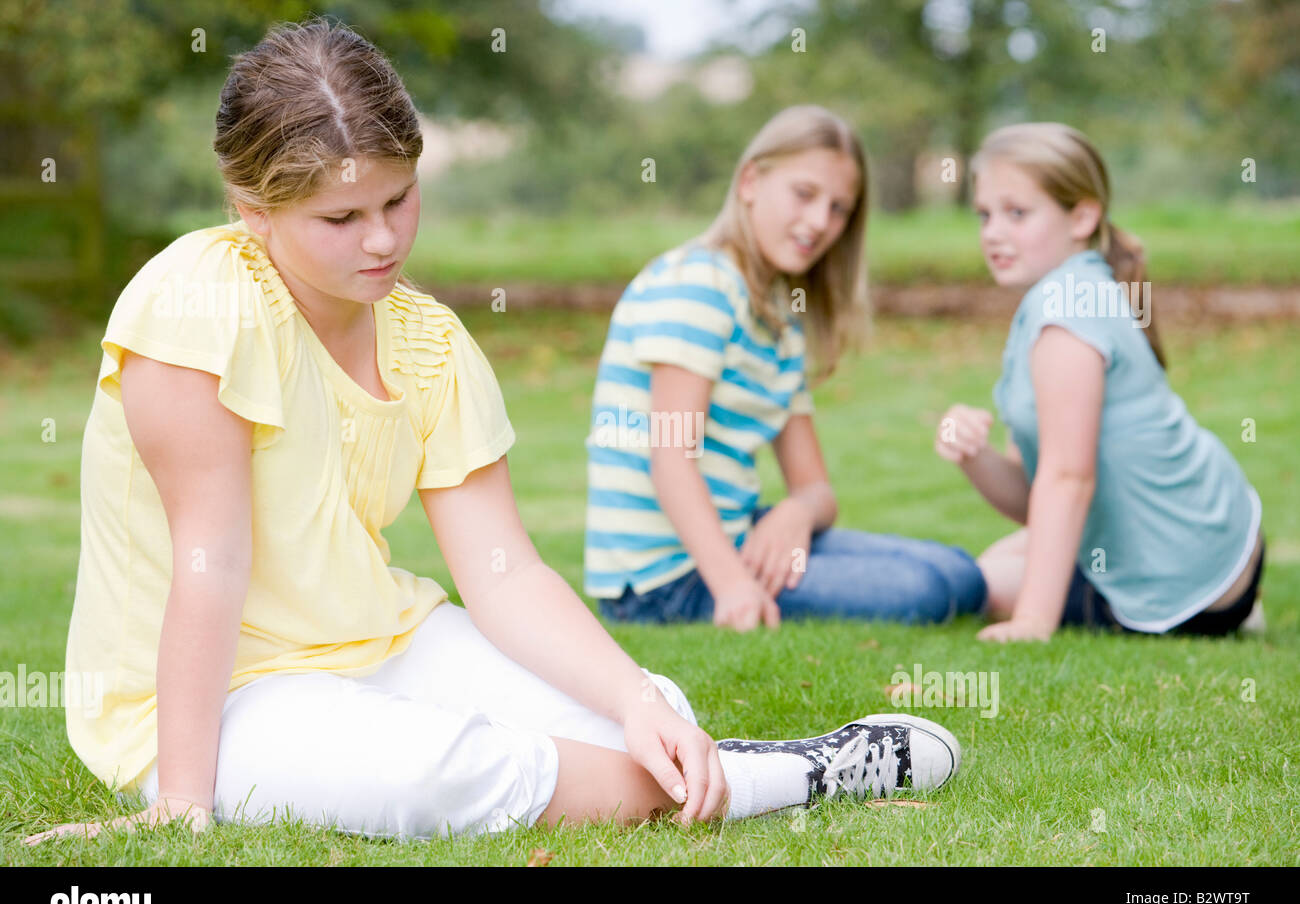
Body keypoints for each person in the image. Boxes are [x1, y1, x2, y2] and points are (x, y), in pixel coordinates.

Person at [25, 19, 962, 847]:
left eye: (399, 200)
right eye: (340, 219)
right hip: (208, 701)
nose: (383, 241)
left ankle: (672, 761)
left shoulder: (429, 338)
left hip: (383, 643)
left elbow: (505, 571)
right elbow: (209, 560)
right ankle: (792, 774)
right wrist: (182, 803)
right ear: (251, 207)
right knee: (429, 776)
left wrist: (634, 699)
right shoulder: (197, 303)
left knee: (652, 710)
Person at [583, 105, 988, 633]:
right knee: (927, 591)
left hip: (735, 536)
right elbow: (671, 459)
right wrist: (732, 586)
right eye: (805, 194)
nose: (821, 223)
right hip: (664, 581)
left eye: (839, 208)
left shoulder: (777, 315)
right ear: (751, 180)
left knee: (958, 572)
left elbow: (817, 491)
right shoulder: (698, 284)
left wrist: (792, 514)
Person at [936, 122, 1265, 643]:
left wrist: (1031, 621)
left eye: (1017, 213)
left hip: (1189, 578)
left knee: (987, 584)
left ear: (1082, 216)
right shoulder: (1062, 296)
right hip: (1226, 540)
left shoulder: (1067, 311)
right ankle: (1235, 600)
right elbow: (1032, 493)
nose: (993, 232)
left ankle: (1216, 606)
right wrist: (971, 453)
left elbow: (1068, 479)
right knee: (999, 558)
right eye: (984, 214)